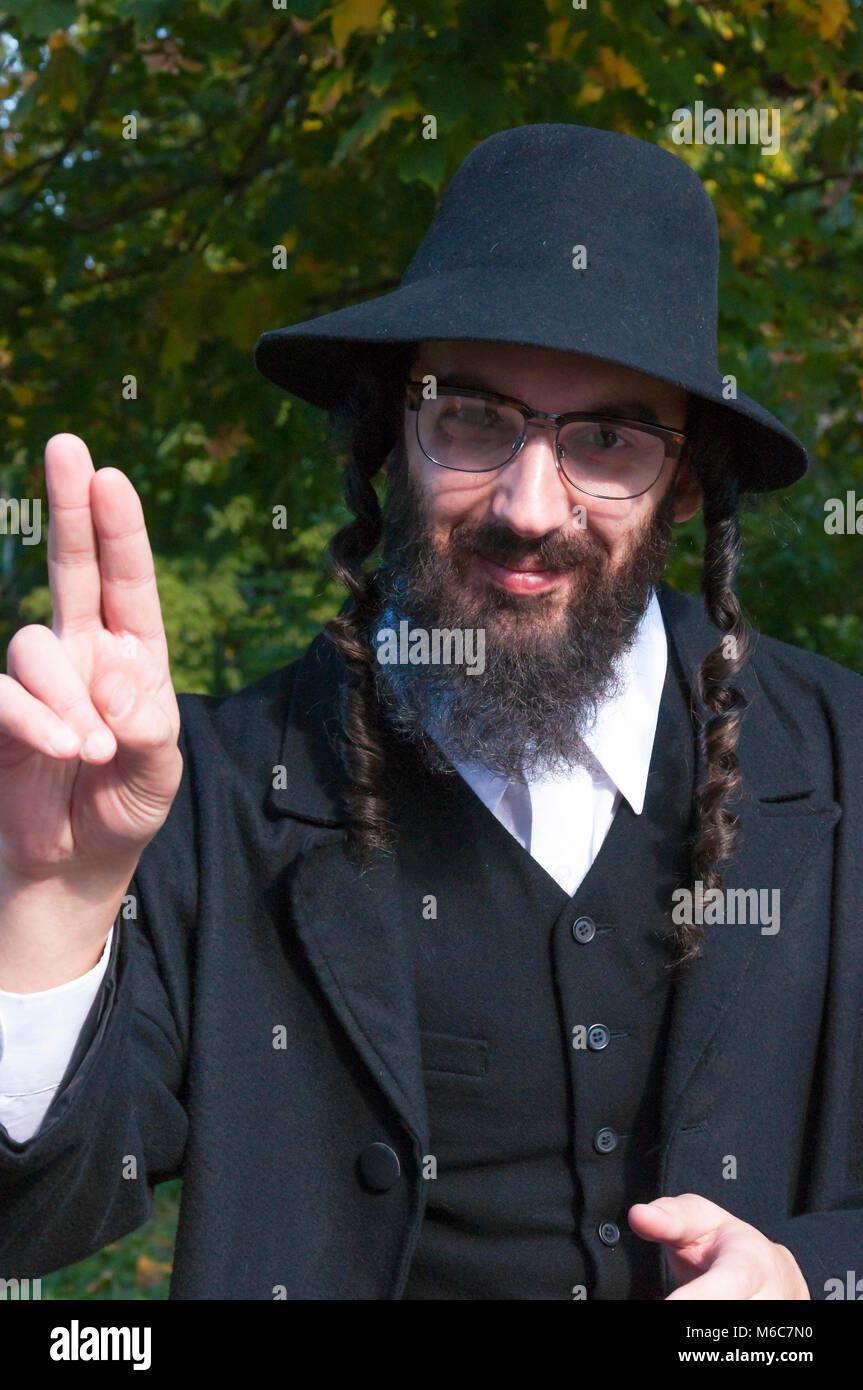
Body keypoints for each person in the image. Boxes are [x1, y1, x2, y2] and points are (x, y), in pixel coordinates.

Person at [0, 123, 860, 1301]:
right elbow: (30, 1213)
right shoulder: (215, 790)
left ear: (686, 478)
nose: (526, 503)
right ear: (390, 435)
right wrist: (51, 900)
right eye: (470, 414)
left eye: (606, 439)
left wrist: (807, 1284)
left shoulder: (843, 761)